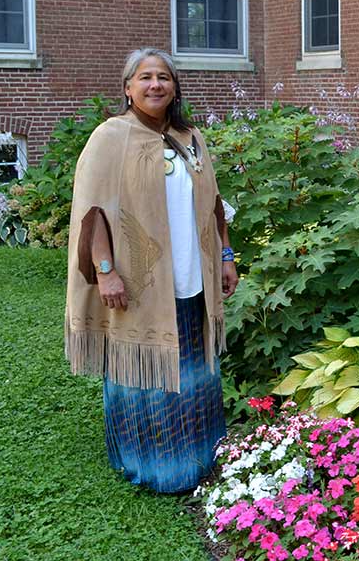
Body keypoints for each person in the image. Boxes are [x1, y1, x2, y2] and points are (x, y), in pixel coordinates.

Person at [64, 47, 238, 493]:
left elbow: (214, 204)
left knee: (193, 371)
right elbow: (92, 212)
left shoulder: (190, 137)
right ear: (128, 88)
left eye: (164, 77)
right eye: (145, 77)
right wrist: (105, 271)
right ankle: (157, 466)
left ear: (175, 88)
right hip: (140, 283)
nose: (155, 84)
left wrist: (226, 257)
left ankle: (200, 456)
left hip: (191, 279)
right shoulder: (110, 137)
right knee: (146, 376)